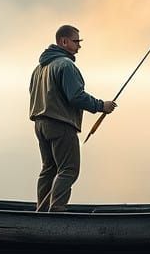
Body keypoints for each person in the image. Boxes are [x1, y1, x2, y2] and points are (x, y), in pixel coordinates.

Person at [29, 25, 117, 212]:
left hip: (40, 125)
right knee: (69, 170)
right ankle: (56, 213)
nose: (79, 46)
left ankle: (41, 213)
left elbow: (32, 93)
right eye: (76, 41)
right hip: (61, 125)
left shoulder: (39, 68)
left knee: (49, 169)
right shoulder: (66, 66)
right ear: (64, 41)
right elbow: (76, 97)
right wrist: (102, 105)